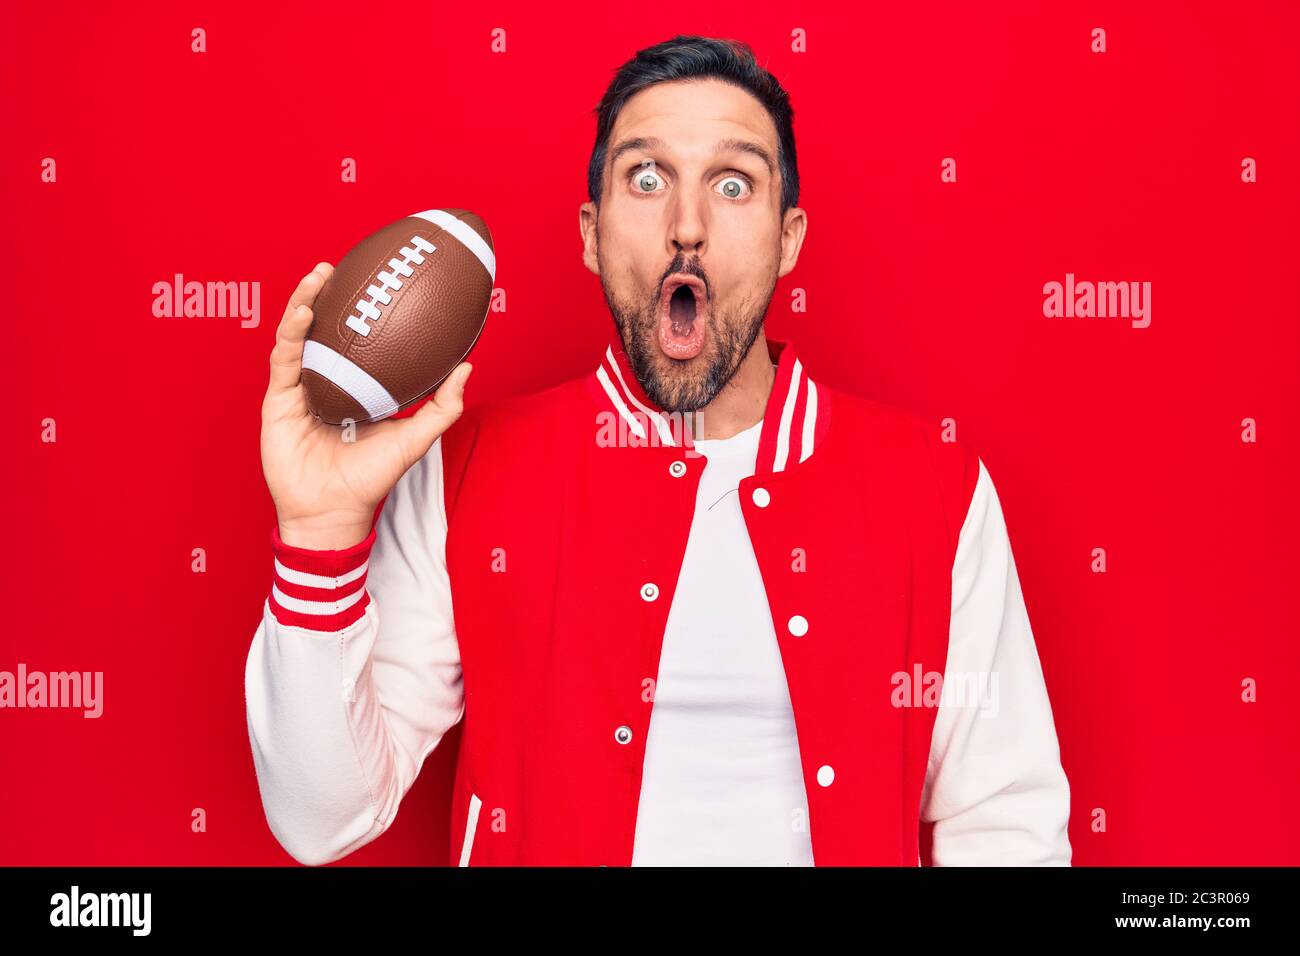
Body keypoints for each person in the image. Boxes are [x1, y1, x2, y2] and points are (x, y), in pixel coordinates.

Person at [244, 34, 1072, 867]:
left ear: (788, 240)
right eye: (646, 178)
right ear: (592, 233)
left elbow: (1006, 821)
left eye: (733, 183)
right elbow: (322, 819)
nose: (687, 227)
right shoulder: (466, 471)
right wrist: (319, 534)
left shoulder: (935, 488)